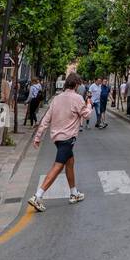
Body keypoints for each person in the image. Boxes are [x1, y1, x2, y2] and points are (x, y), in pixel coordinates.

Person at [28, 72, 93, 210]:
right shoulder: (77, 98)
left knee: (70, 162)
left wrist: (38, 136)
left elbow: (46, 119)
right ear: (75, 85)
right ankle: (38, 196)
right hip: (67, 138)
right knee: (58, 166)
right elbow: (87, 115)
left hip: (57, 137)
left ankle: (73, 192)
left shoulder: (57, 99)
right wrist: (89, 104)